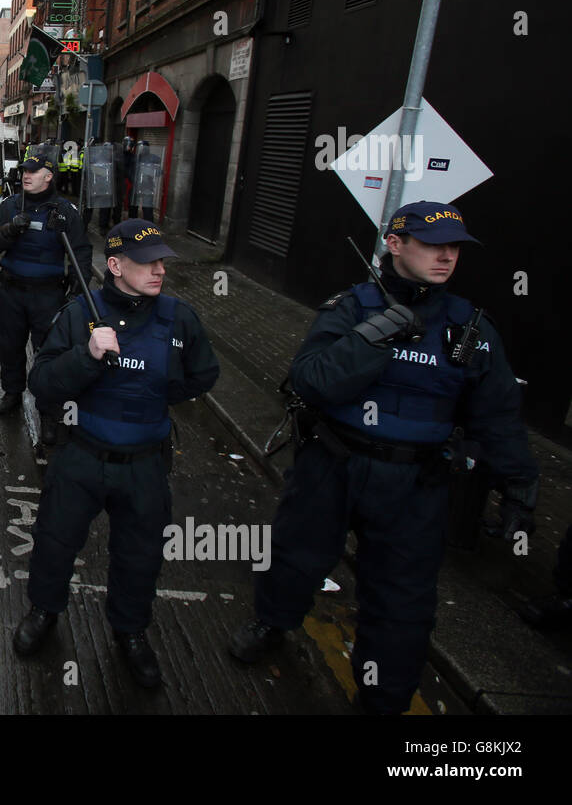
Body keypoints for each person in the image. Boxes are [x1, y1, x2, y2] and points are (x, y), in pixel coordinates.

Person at [227, 201, 539, 714]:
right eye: (433, 245)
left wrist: (519, 488)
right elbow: (310, 381)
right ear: (395, 245)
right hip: (333, 464)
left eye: (454, 247)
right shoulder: (351, 309)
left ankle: (383, 697)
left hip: (416, 484)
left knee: (403, 601)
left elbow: (498, 416)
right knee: (295, 555)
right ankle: (273, 621)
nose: (446, 257)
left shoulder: (470, 328)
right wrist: (372, 339)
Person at [14, 220, 219, 685]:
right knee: (55, 541)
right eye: (148, 262)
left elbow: (202, 375)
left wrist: (149, 395)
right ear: (114, 265)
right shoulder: (77, 314)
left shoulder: (178, 317)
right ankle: (44, 611)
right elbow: (42, 384)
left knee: (140, 554)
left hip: (144, 464)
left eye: (162, 261)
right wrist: (86, 356)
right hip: (81, 457)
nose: (159, 270)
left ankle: (130, 631)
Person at [0, 157, 90, 446]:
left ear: (49, 176)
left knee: (49, 354)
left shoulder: (65, 212)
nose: (26, 176)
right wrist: (8, 231)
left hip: (48, 295)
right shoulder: (11, 205)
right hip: (13, 291)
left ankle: (49, 413)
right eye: (24, 171)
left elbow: (81, 252)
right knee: (10, 346)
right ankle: (12, 392)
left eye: (33, 171)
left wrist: (77, 290)